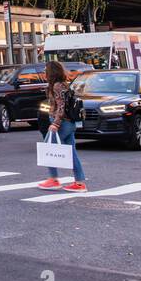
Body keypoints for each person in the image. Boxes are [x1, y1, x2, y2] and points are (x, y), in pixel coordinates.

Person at [38, 60, 87, 191]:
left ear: (51, 72)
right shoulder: (62, 84)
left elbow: (61, 106)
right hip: (68, 123)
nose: (44, 72)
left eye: (45, 70)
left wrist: (55, 123)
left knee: (48, 148)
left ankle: (54, 179)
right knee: (72, 153)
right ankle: (80, 183)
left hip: (62, 123)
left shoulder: (57, 86)